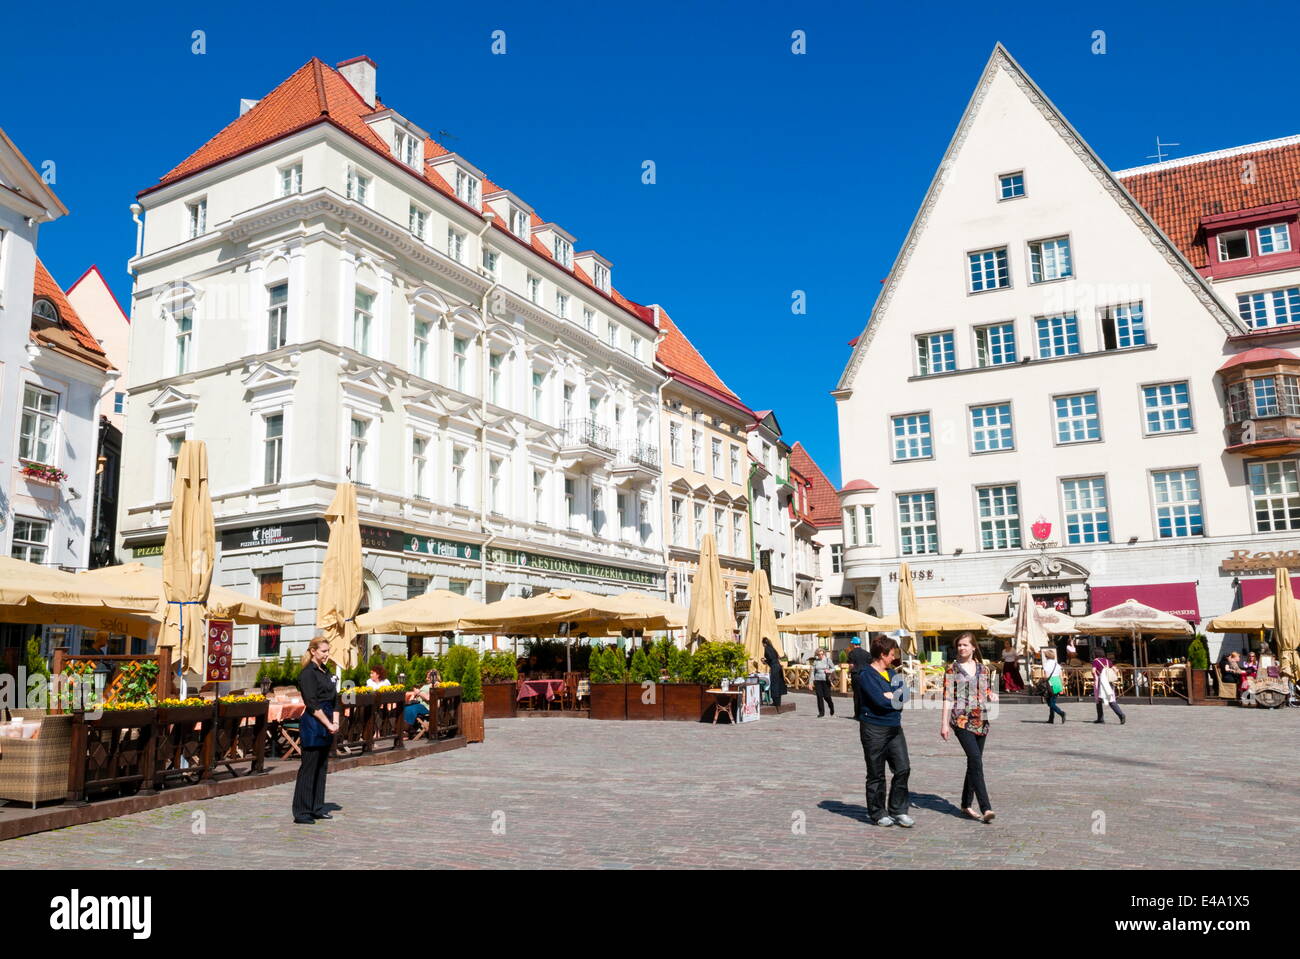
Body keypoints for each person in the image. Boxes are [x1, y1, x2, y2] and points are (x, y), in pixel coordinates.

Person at [857, 635, 913, 827]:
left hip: (894, 728)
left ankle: (898, 810)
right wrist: (893, 699)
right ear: (882, 655)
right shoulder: (866, 675)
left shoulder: (892, 674)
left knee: (903, 768)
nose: (894, 658)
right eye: (892, 654)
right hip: (874, 728)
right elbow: (879, 702)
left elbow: (905, 696)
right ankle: (878, 812)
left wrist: (893, 697)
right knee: (876, 773)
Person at [940, 632, 997, 822]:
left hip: (981, 720)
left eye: (965, 645)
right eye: (959, 645)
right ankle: (986, 807)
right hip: (961, 720)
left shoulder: (983, 669)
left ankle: (965, 804)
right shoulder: (952, 669)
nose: (961, 648)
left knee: (974, 762)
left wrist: (991, 695)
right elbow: (948, 697)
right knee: (975, 760)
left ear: (973, 647)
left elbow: (986, 688)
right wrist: (944, 724)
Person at [293, 636, 339, 824]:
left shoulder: (325, 671)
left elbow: (335, 699)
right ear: (313, 651)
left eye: (328, 651)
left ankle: (317, 807)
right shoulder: (307, 674)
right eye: (323, 651)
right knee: (309, 766)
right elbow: (311, 703)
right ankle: (302, 811)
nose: (327, 654)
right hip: (314, 723)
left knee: (321, 767)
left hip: (328, 720)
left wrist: (335, 722)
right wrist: (328, 724)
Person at [1092, 648, 1127, 724]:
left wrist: (1095, 678)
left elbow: (1093, 671)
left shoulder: (1095, 661)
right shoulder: (1108, 661)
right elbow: (1115, 669)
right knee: (1111, 699)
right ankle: (1120, 714)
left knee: (1098, 700)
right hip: (1109, 682)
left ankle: (1100, 718)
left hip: (1100, 682)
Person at [403, 668, 441, 733]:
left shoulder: (436, 684)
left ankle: (405, 730)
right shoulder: (427, 685)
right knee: (401, 708)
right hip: (418, 704)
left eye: (429, 677)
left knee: (410, 709)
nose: (427, 678)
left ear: (435, 676)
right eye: (427, 676)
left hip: (427, 707)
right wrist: (414, 695)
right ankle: (402, 728)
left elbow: (428, 698)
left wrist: (418, 692)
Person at [847, 636, 872, 718]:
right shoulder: (866, 653)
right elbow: (871, 664)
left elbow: (851, 665)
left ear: (853, 644)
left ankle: (857, 714)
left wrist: (848, 671)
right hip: (865, 675)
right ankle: (865, 713)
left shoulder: (851, 653)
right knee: (865, 694)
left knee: (857, 695)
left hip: (856, 675)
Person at [808, 646, 836, 717]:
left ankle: (831, 707)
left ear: (824, 654)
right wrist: (810, 683)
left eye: (822, 654)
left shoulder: (827, 660)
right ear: (817, 655)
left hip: (826, 680)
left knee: (827, 696)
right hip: (817, 681)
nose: (820, 656)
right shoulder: (815, 661)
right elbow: (812, 673)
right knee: (819, 696)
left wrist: (828, 670)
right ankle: (821, 713)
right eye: (819, 654)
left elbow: (833, 668)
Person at [1041, 648, 1066, 723]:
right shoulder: (1057, 665)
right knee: (1053, 701)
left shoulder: (1046, 664)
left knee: (1050, 703)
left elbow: (1045, 676)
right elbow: (1061, 676)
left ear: (1046, 657)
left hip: (1050, 683)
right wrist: (1062, 686)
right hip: (1057, 683)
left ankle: (1061, 713)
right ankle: (1051, 718)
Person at [762, 637, 787, 708]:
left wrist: (765, 661)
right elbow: (776, 657)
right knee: (779, 684)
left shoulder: (767, 648)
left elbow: (770, 658)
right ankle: (778, 702)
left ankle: (775, 702)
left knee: (774, 684)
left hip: (774, 668)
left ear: (764, 643)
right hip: (778, 667)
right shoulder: (772, 648)